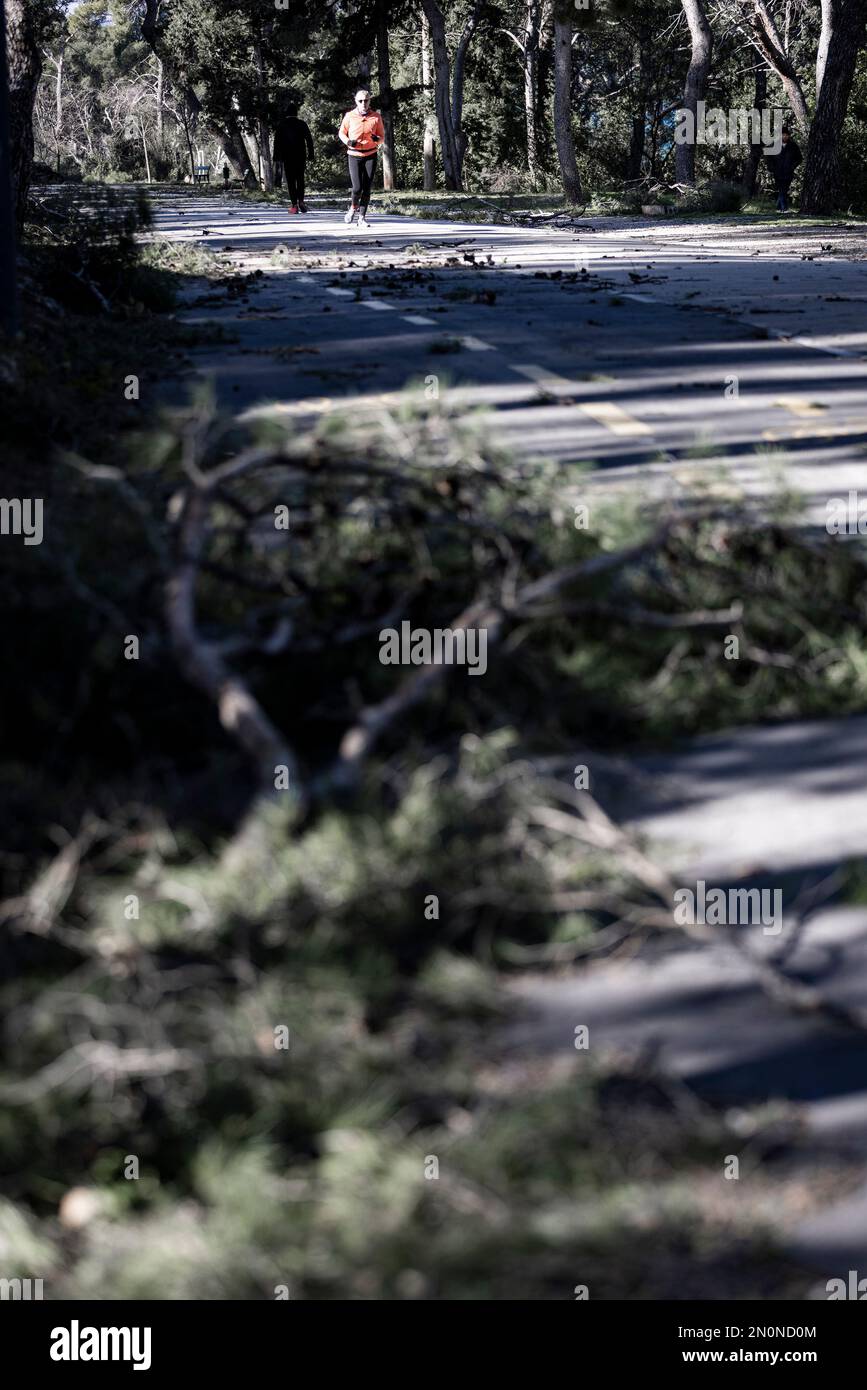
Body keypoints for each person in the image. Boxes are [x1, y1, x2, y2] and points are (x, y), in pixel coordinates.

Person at [338, 89, 385, 228]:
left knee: (367, 188)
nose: (363, 103)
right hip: (354, 155)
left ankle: (362, 218)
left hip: (370, 154)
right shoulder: (349, 116)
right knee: (357, 187)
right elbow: (341, 132)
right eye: (360, 101)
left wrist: (377, 140)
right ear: (356, 102)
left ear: (370, 101)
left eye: (366, 100)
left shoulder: (376, 117)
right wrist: (347, 141)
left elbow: (382, 137)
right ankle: (353, 207)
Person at [273, 103, 315, 214]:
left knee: (291, 181)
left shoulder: (281, 125)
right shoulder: (302, 124)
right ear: (296, 113)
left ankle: (294, 205)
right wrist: (311, 155)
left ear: (286, 113)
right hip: (300, 156)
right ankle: (301, 201)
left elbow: (277, 143)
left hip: (287, 157)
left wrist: (276, 157)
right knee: (300, 179)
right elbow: (309, 140)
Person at [766, 125, 802, 212]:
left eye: (786, 135)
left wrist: (792, 166)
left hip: (788, 172)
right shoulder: (774, 145)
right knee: (782, 189)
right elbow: (768, 157)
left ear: (789, 136)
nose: (785, 136)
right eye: (783, 135)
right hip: (777, 172)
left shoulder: (793, 146)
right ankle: (784, 208)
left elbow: (799, 158)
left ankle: (779, 208)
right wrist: (771, 168)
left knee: (784, 190)